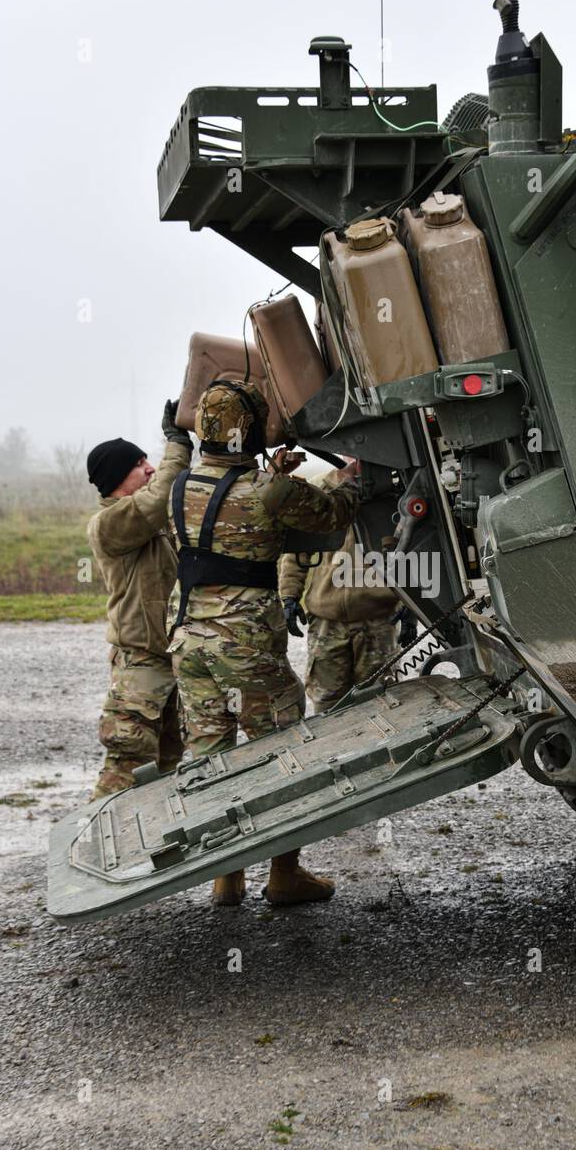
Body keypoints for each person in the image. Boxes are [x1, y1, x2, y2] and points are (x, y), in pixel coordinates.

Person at [167, 377, 360, 908]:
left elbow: (225, 516)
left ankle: (225, 876)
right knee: (279, 753)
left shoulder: (180, 485)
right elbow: (332, 514)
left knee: (208, 755)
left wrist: (270, 475)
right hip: (244, 643)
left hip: (188, 638)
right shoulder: (267, 491)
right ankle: (283, 874)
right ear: (248, 429)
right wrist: (350, 477)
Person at [86, 401, 193, 800]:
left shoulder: (150, 521)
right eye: (138, 464)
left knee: (167, 768)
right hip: (140, 662)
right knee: (127, 766)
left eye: (149, 460)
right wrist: (176, 443)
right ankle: (91, 846)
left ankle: (153, 858)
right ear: (116, 478)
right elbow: (163, 491)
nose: (149, 468)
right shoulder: (111, 523)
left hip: (167, 658)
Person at [279, 461, 416, 712]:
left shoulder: (396, 492)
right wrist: (289, 595)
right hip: (326, 620)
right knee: (327, 703)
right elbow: (296, 553)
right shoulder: (320, 489)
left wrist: (412, 607)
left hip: (377, 619)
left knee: (381, 701)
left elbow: (413, 549)